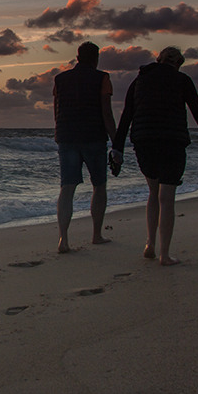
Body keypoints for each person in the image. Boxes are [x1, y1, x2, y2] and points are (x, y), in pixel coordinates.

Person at [113, 46, 198, 265]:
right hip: (172, 142)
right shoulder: (182, 80)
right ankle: (164, 255)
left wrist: (117, 148)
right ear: (178, 63)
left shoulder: (139, 81)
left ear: (159, 59)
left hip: (144, 142)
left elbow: (126, 116)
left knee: (153, 192)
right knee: (167, 197)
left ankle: (150, 244)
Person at [52, 41, 120, 254]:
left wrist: (59, 132)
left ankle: (63, 239)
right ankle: (96, 235)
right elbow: (106, 113)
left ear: (78, 57)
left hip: (67, 136)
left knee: (67, 187)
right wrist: (116, 142)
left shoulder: (60, 79)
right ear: (96, 58)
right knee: (99, 185)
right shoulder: (102, 78)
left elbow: (57, 110)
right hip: (93, 136)